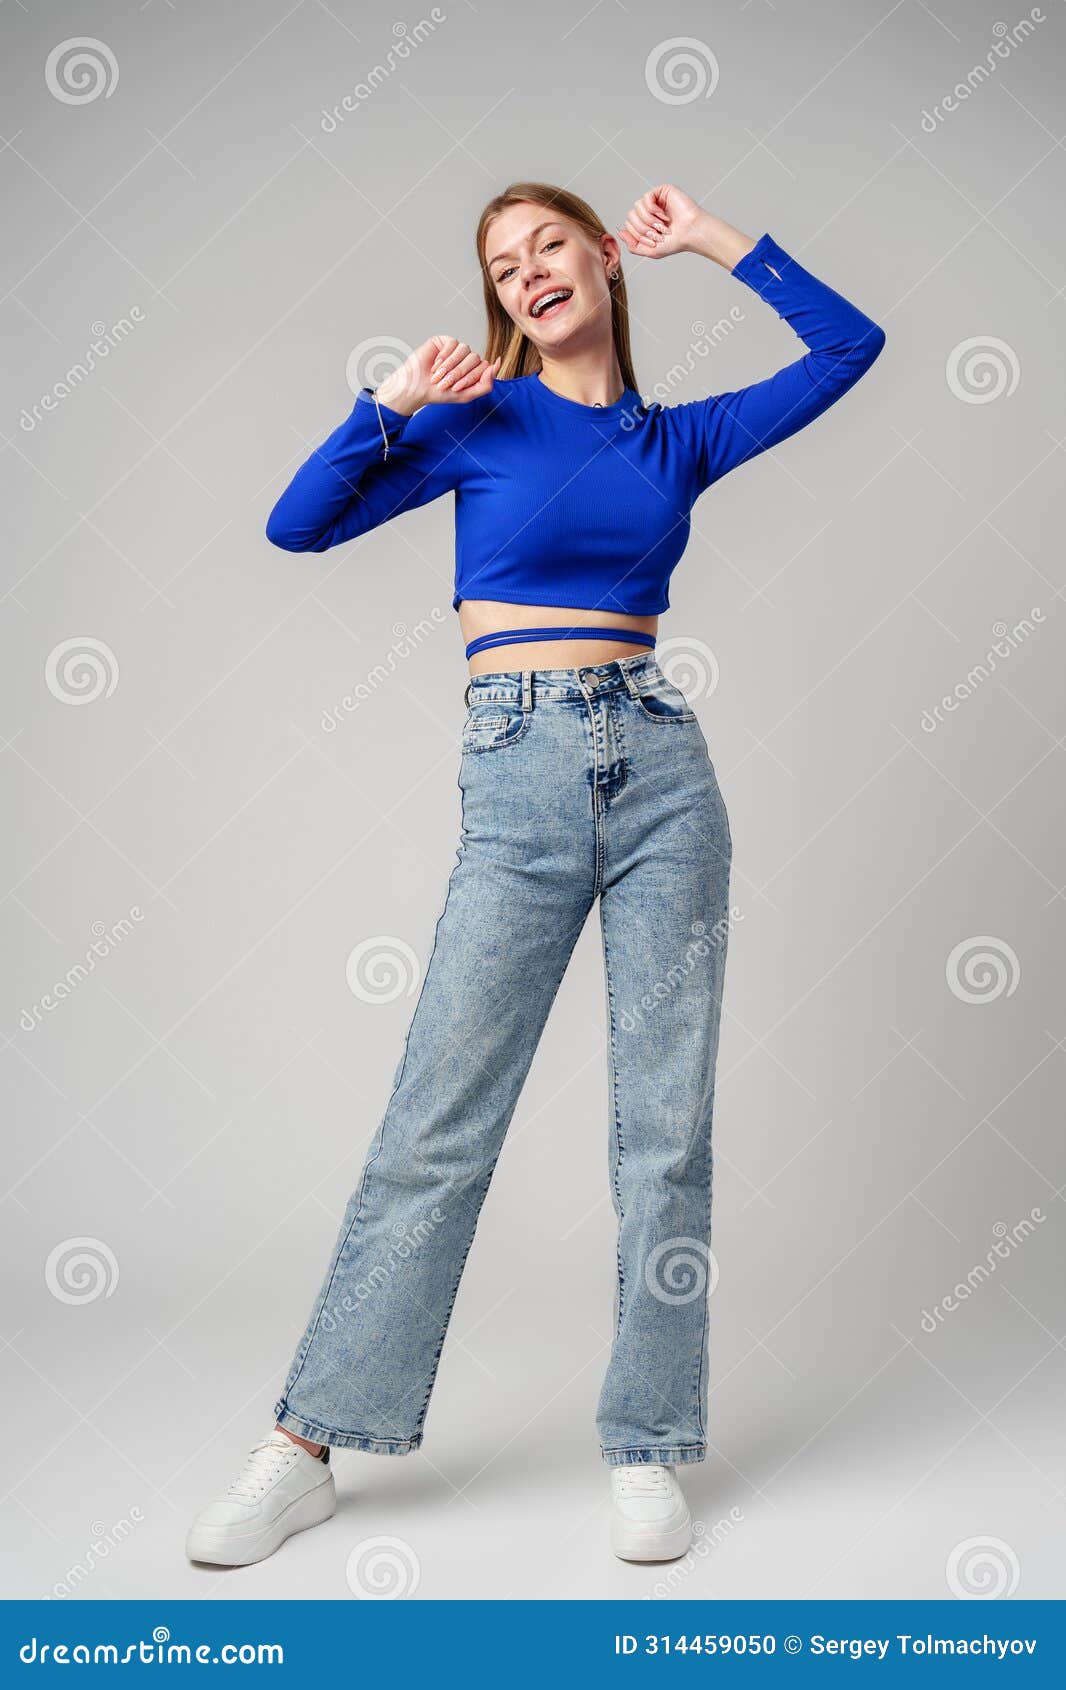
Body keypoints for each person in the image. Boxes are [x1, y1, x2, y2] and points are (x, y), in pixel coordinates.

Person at [186, 180, 885, 1569]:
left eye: (546, 245)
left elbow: (846, 348)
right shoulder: (475, 418)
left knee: (663, 1134)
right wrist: (382, 407)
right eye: (501, 265)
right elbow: (295, 525)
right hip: (517, 763)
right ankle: (307, 1444)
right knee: (436, 1126)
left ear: (605, 260)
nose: (524, 274)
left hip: (665, 771)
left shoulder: (678, 439)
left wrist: (721, 239)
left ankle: (645, 1446)